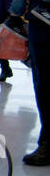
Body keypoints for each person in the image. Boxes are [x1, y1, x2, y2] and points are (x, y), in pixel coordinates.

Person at [25, 14, 50, 166]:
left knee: (44, 81)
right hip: (41, 19)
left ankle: (47, 143)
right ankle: (47, 141)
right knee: (44, 81)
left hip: (42, 19)